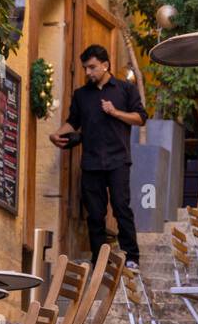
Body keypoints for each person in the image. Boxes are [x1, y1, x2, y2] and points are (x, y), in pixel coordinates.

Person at [50, 44, 147, 269]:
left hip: (118, 159)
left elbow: (140, 118)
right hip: (91, 161)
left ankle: (131, 257)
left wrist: (115, 112)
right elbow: (73, 122)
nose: (88, 72)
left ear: (105, 65)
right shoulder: (81, 95)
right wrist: (56, 135)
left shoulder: (125, 89)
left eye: (92, 67)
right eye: (85, 68)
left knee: (121, 207)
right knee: (94, 214)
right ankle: (99, 260)